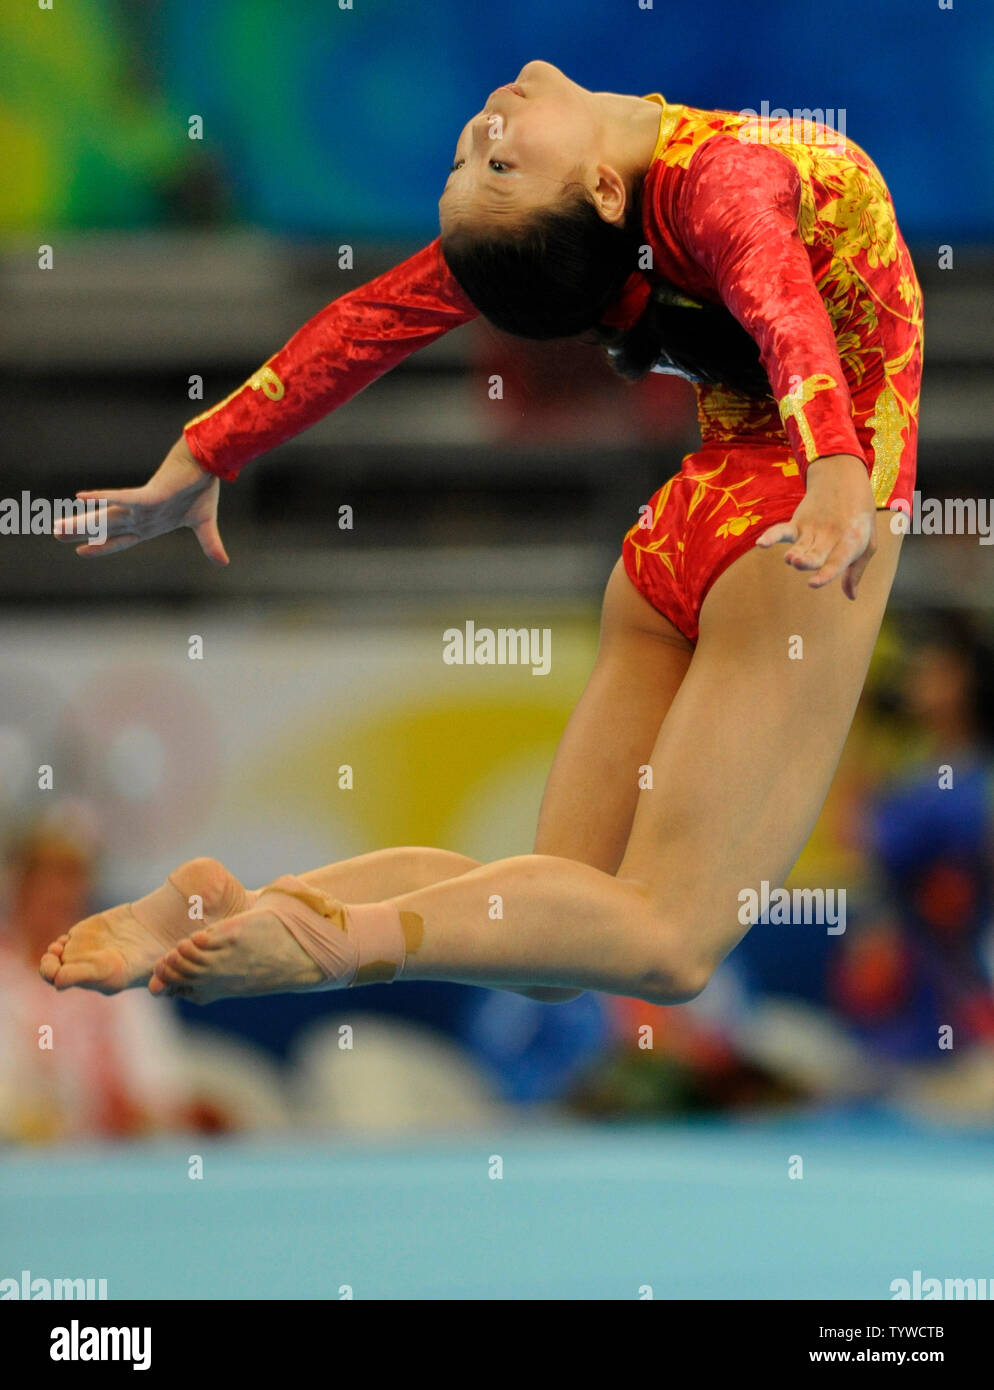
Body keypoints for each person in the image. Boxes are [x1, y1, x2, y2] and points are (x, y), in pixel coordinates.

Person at [44, 61, 923, 1008]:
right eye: (485, 169)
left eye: (476, 162)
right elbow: (780, 298)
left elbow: (369, 323)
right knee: (666, 940)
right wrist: (834, 463)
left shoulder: (607, 220)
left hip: (692, 523)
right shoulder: (720, 177)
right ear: (599, 190)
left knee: (563, 925)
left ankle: (234, 910)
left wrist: (208, 451)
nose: (480, 134)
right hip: (797, 526)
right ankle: (336, 942)